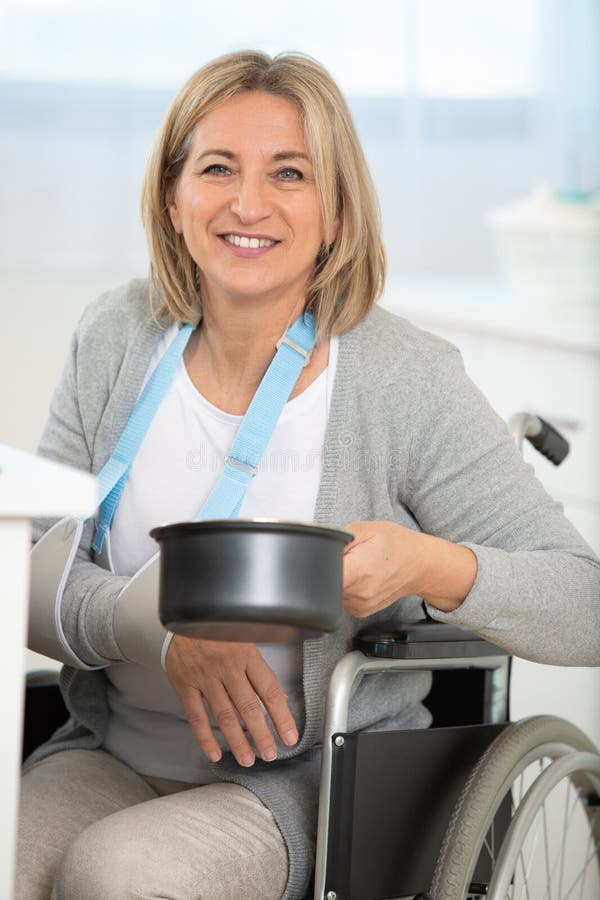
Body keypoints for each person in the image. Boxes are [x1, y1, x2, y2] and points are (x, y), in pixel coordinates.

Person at [18, 49, 600, 900]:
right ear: (173, 197)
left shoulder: (403, 380)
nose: (247, 204)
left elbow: (584, 604)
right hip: (109, 750)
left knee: (120, 873)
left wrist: (429, 565)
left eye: (289, 174)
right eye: (217, 168)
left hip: (289, 787)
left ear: (334, 212)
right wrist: (162, 634)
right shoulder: (115, 334)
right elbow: (33, 575)